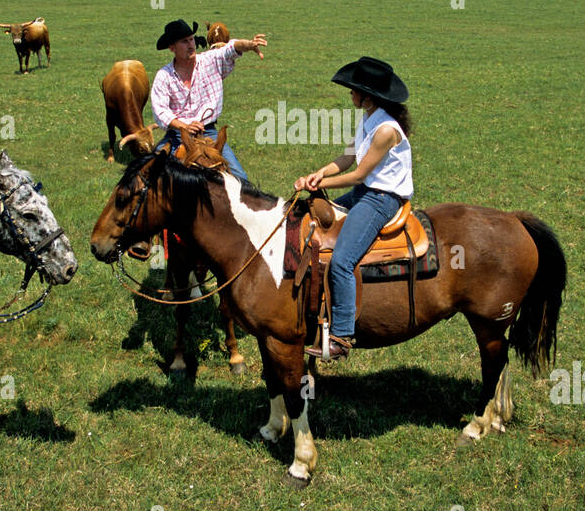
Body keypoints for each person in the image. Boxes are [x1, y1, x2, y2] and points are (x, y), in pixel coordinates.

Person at [294, 57, 413, 359]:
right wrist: (319, 174)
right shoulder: (369, 119)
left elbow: (359, 174)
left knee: (343, 260)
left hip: (381, 199)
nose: (350, 94)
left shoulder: (386, 130)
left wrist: (322, 184)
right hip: (365, 191)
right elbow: (347, 158)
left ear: (368, 96)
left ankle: (342, 337)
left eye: (353, 90)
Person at [150, 19, 267, 182]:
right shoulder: (164, 76)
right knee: (150, 176)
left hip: (208, 133)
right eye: (184, 41)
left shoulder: (210, 60)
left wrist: (248, 44)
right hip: (177, 135)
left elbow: (229, 49)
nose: (191, 45)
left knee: (240, 179)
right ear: (172, 47)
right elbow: (161, 111)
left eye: (191, 39)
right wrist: (185, 127)